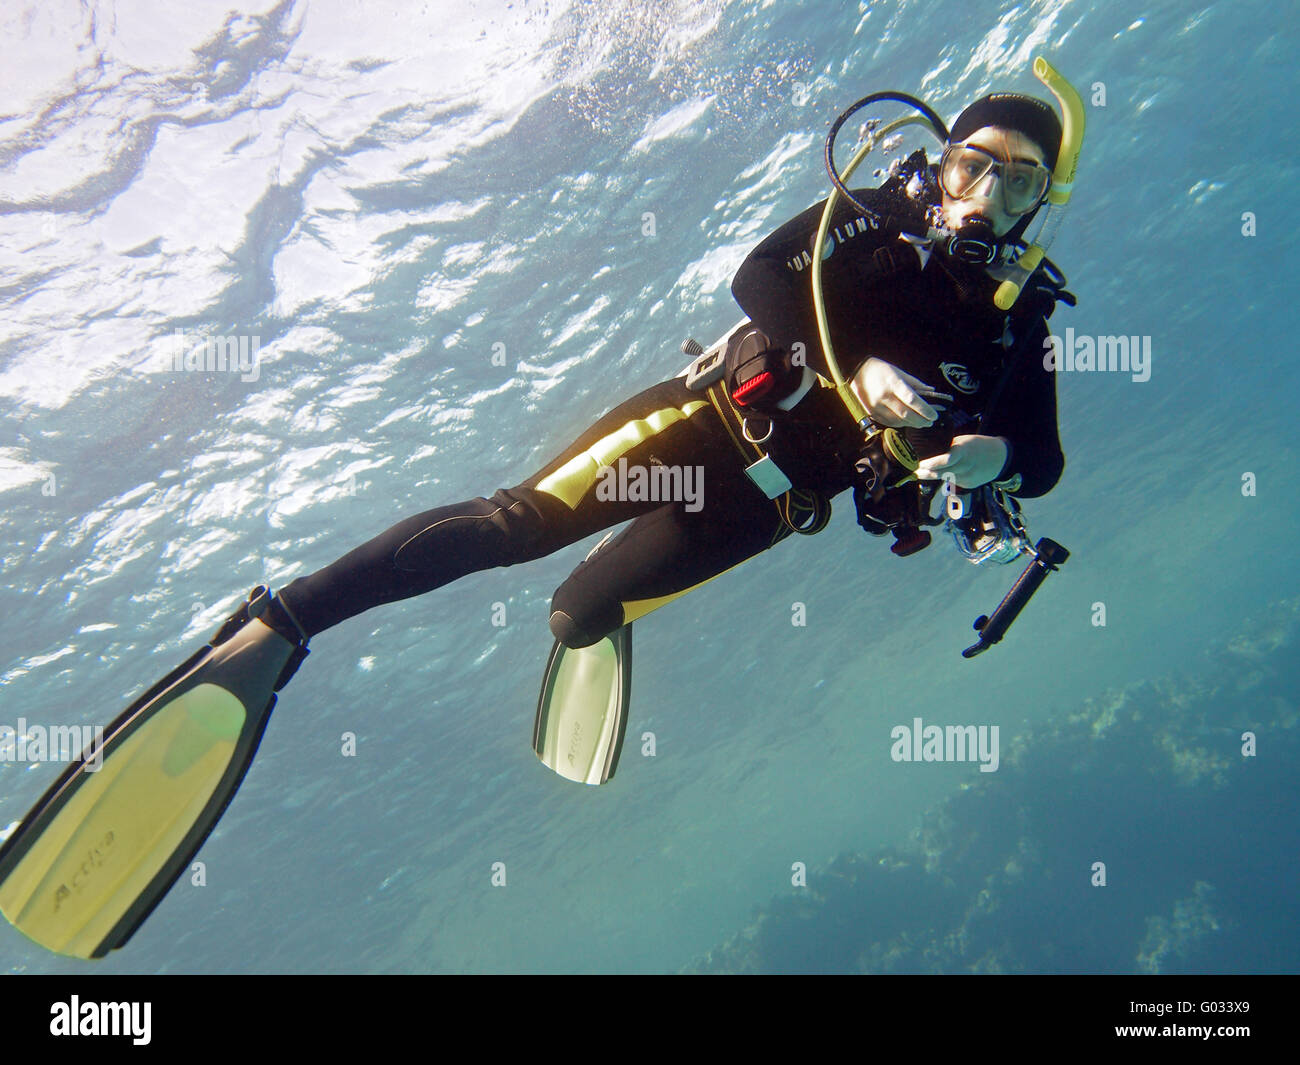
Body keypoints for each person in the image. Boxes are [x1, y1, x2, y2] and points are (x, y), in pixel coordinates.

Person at [0, 82, 1081, 958]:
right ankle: (282, 623)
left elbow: (1041, 459)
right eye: (970, 163)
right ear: (937, 161)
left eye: (1015, 178)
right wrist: (862, 367)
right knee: (515, 525)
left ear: (1043, 198)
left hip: (770, 508)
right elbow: (756, 276)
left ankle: (590, 621)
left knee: (575, 619)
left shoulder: (1016, 319)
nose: (985, 191)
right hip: (697, 430)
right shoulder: (868, 215)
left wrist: (989, 455)